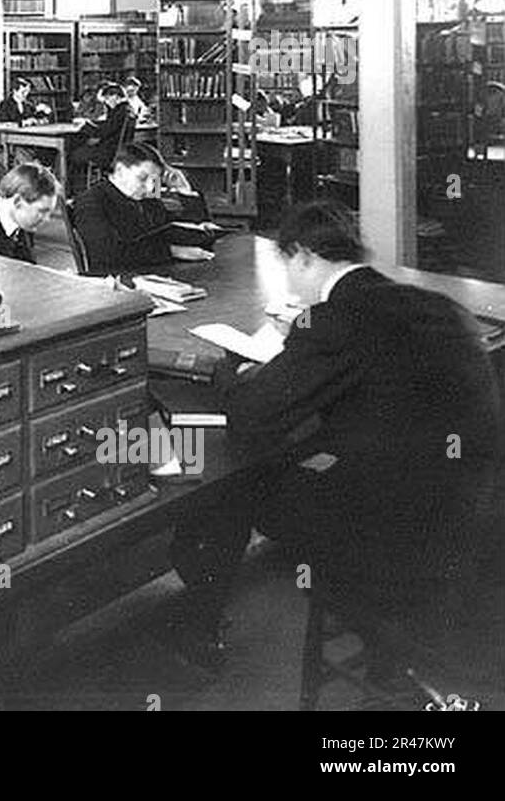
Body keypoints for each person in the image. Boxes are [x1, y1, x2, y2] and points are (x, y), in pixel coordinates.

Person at [169, 201, 502, 663]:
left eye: (289, 267)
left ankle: (198, 633)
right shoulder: (428, 303)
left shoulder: (336, 319)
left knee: (235, 480)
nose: (290, 283)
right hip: (473, 513)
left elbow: (251, 416)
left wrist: (229, 375)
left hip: (394, 534)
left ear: (303, 255)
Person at [71, 142, 219, 274]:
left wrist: (184, 190)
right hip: (117, 282)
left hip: (155, 273)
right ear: (120, 170)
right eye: (142, 178)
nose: (149, 187)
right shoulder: (91, 200)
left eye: (155, 180)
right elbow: (105, 252)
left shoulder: (147, 196)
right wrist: (172, 251)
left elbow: (180, 234)